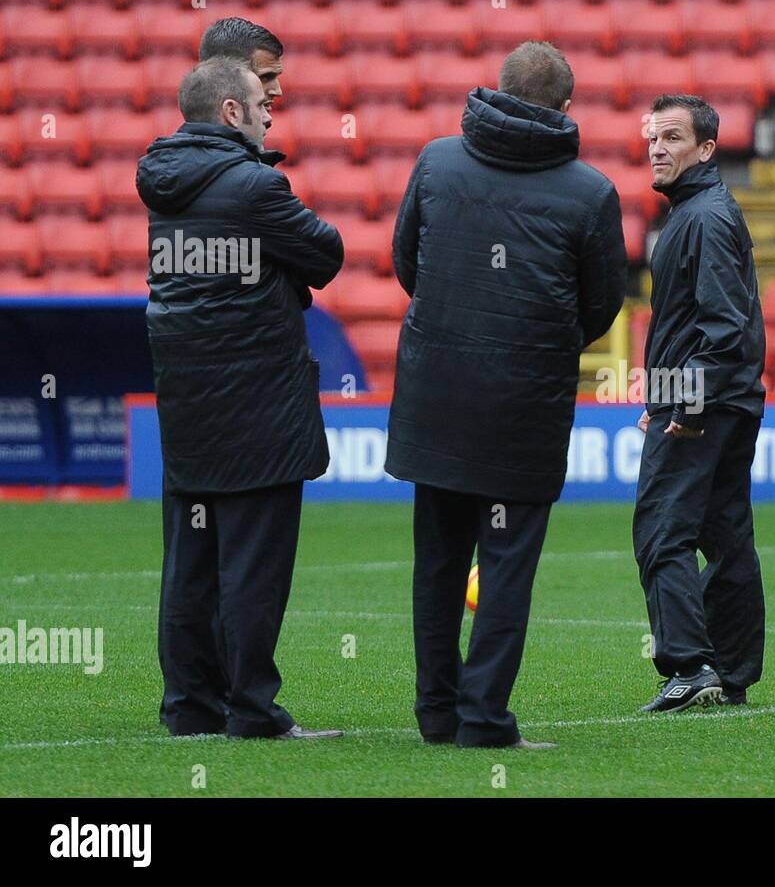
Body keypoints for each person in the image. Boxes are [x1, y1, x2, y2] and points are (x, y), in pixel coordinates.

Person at [386, 41, 627, 750]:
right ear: (565, 109)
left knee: (436, 564)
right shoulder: (589, 192)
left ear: (496, 89)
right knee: (506, 566)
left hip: (436, 398)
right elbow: (601, 306)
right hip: (524, 407)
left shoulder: (436, 160)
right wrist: (540, 343)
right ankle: (484, 718)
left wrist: (450, 326)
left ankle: (437, 713)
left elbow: (408, 263)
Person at [137, 57, 345, 739]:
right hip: (257, 400)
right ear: (230, 112)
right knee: (254, 564)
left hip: (188, 399)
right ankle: (253, 708)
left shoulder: (161, 180)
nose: (270, 110)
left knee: (190, 565)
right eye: (261, 101)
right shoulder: (256, 187)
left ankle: (190, 706)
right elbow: (326, 252)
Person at [633, 94, 767, 714]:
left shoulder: (703, 217)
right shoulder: (700, 211)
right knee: (726, 535)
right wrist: (661, 395)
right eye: (653, 137)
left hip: (703, 406)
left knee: (663, 529)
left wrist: (681, 407)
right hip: (722, 399)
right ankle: (730, 672)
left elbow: (722, 325)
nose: (656, 147)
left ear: (707, 150)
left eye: (672, 138)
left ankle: (689, 666)